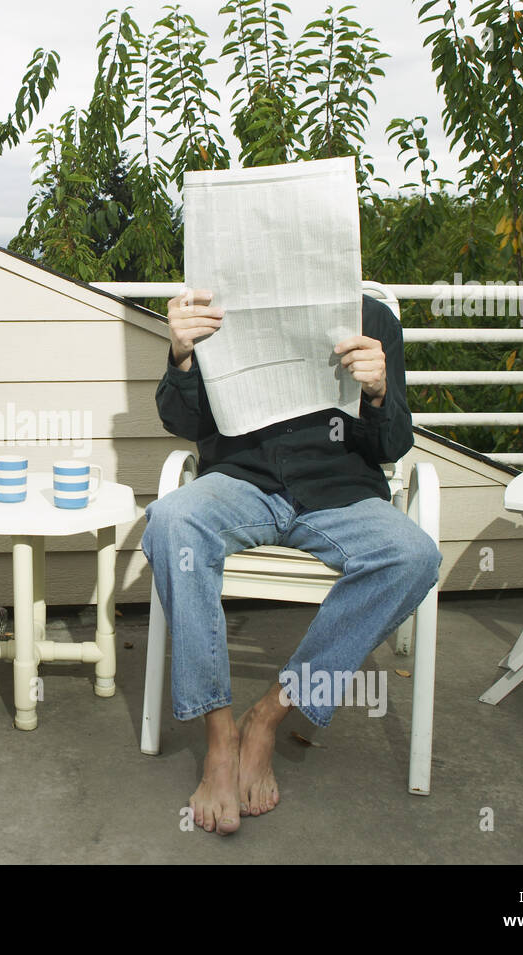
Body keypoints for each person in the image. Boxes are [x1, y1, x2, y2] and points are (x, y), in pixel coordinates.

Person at [142, 289, 441, 835]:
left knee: (413, 555)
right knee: (171, 520)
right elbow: (182, 421)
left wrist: (376, 392)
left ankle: (269, 715)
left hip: (341, 492)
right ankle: (219, 735)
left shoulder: (372, 318)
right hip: (241, 483)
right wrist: (182, 355)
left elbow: (392, 444)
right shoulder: (217, 312)